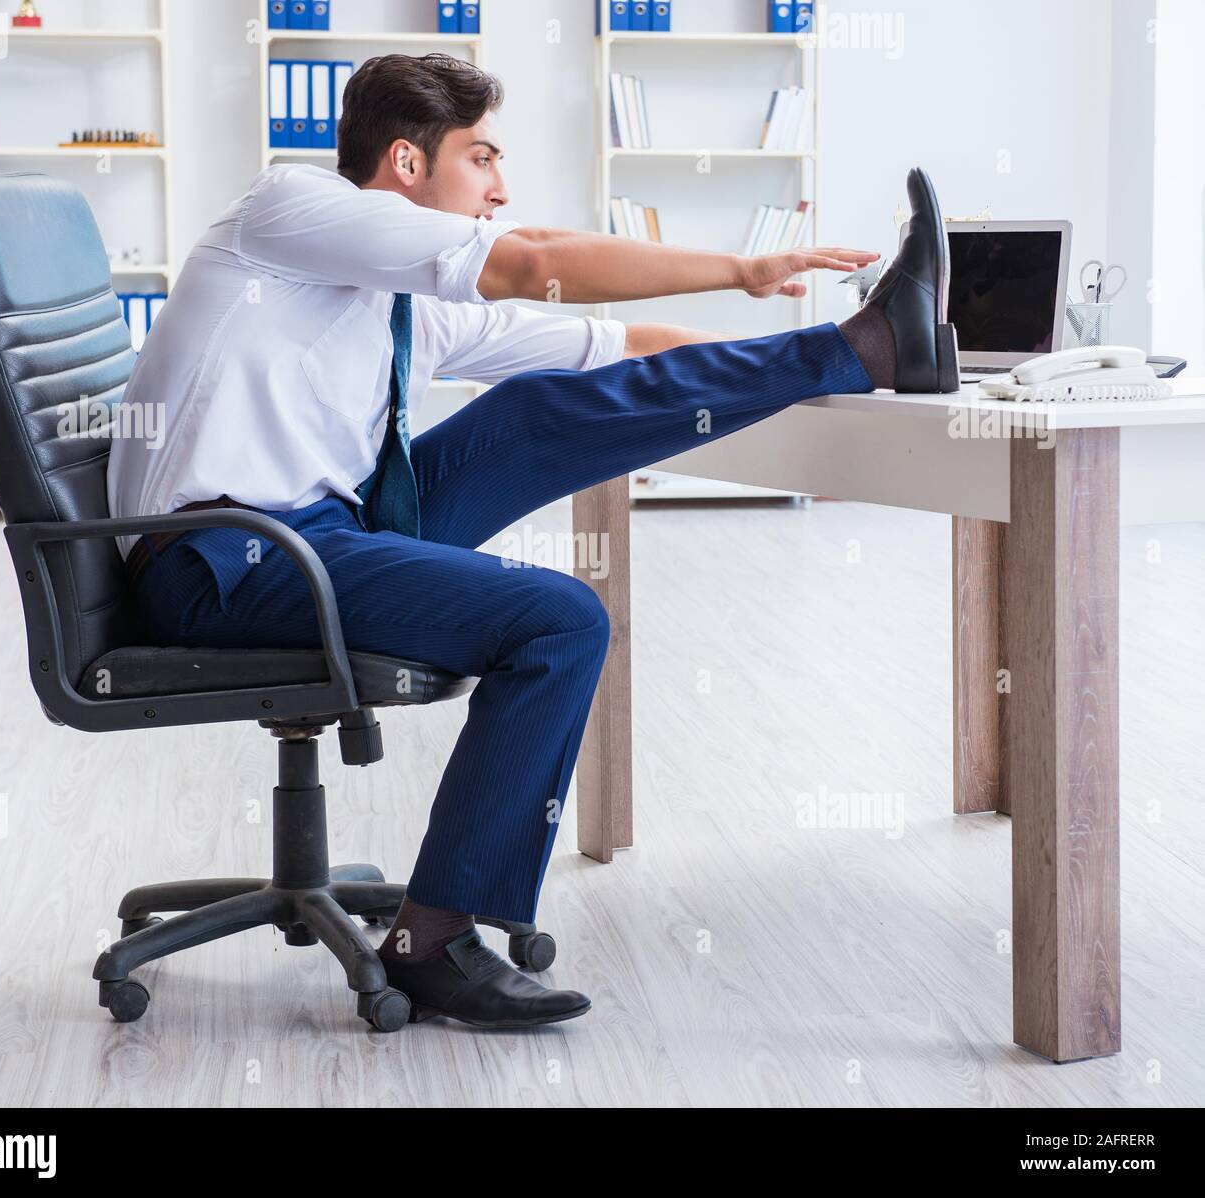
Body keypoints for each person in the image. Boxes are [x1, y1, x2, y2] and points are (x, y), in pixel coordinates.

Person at [107, 52, 957, 1031]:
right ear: (407, 163)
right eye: (483, 158)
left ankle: (867, 347)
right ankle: (433, 942)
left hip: (316, 534)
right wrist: (740, 267)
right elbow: (531, 256)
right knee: (559, 619)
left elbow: (621, 350)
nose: (500, 188)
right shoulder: (289, 210)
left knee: (534, 408)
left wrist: (819, 357)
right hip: (222, 560)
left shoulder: (412, 302)